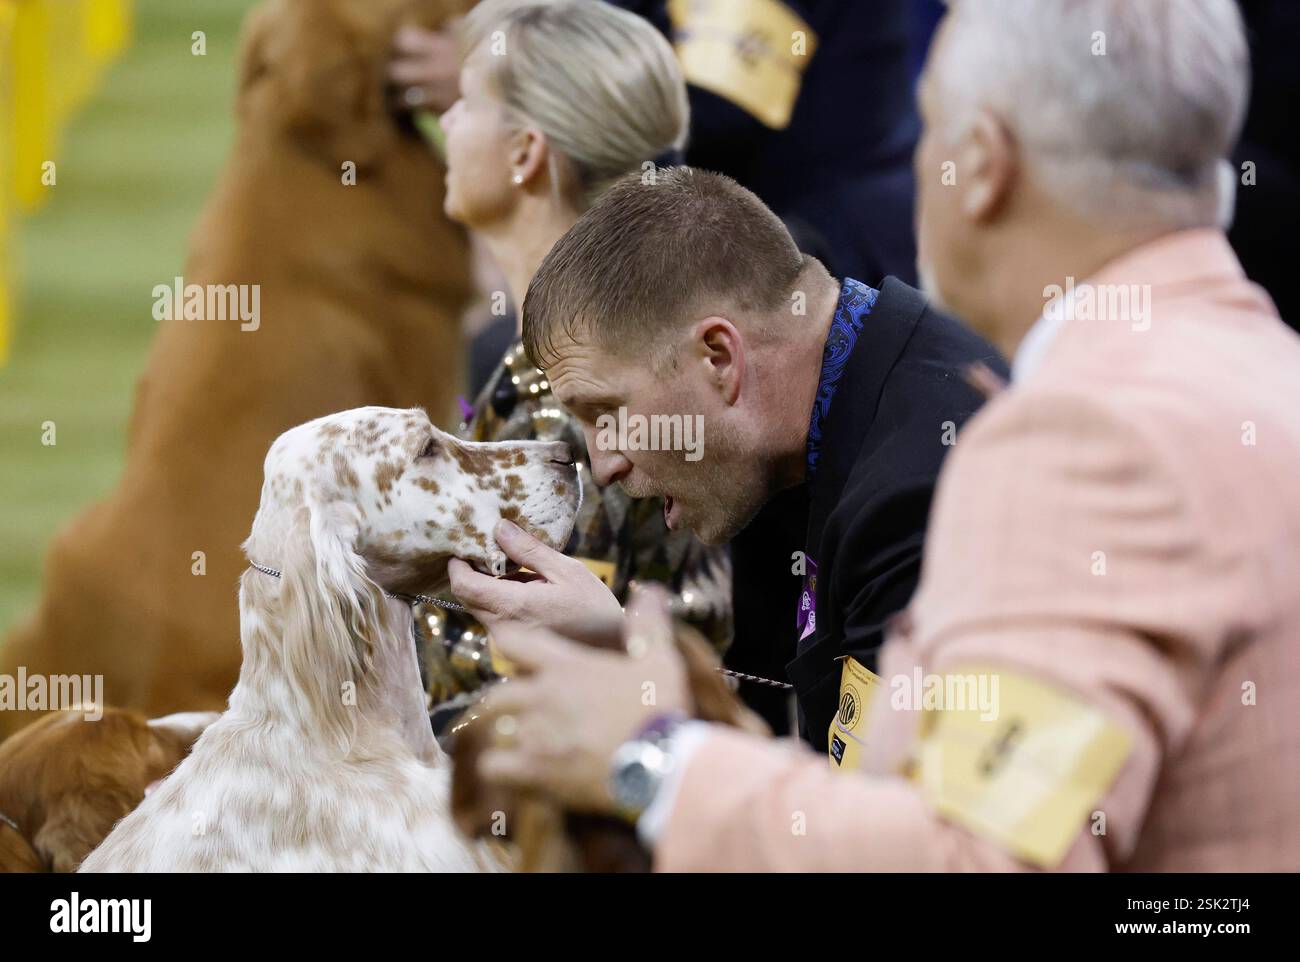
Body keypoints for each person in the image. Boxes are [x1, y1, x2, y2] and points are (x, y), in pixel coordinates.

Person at [457, 0, 1300, 871]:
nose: (604, 460)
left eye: (926, 127)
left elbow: (974, 856)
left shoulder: (1075, 440)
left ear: (979, 165)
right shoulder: (1260, 367)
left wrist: (652, 761)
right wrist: (639, 658)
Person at [449, 166, 1005, 751]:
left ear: (718, 357)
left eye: (604, 411)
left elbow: (872, 827)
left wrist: (625, 671)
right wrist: (612, 637)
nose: (604, 463)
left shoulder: (920, 498)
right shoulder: (866, 397)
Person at [411, 0, 731, 727]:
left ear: (526, 152)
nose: (448, 123)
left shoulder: (573, 397)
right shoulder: (583, 353)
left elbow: (527, 709)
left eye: (465, 102)